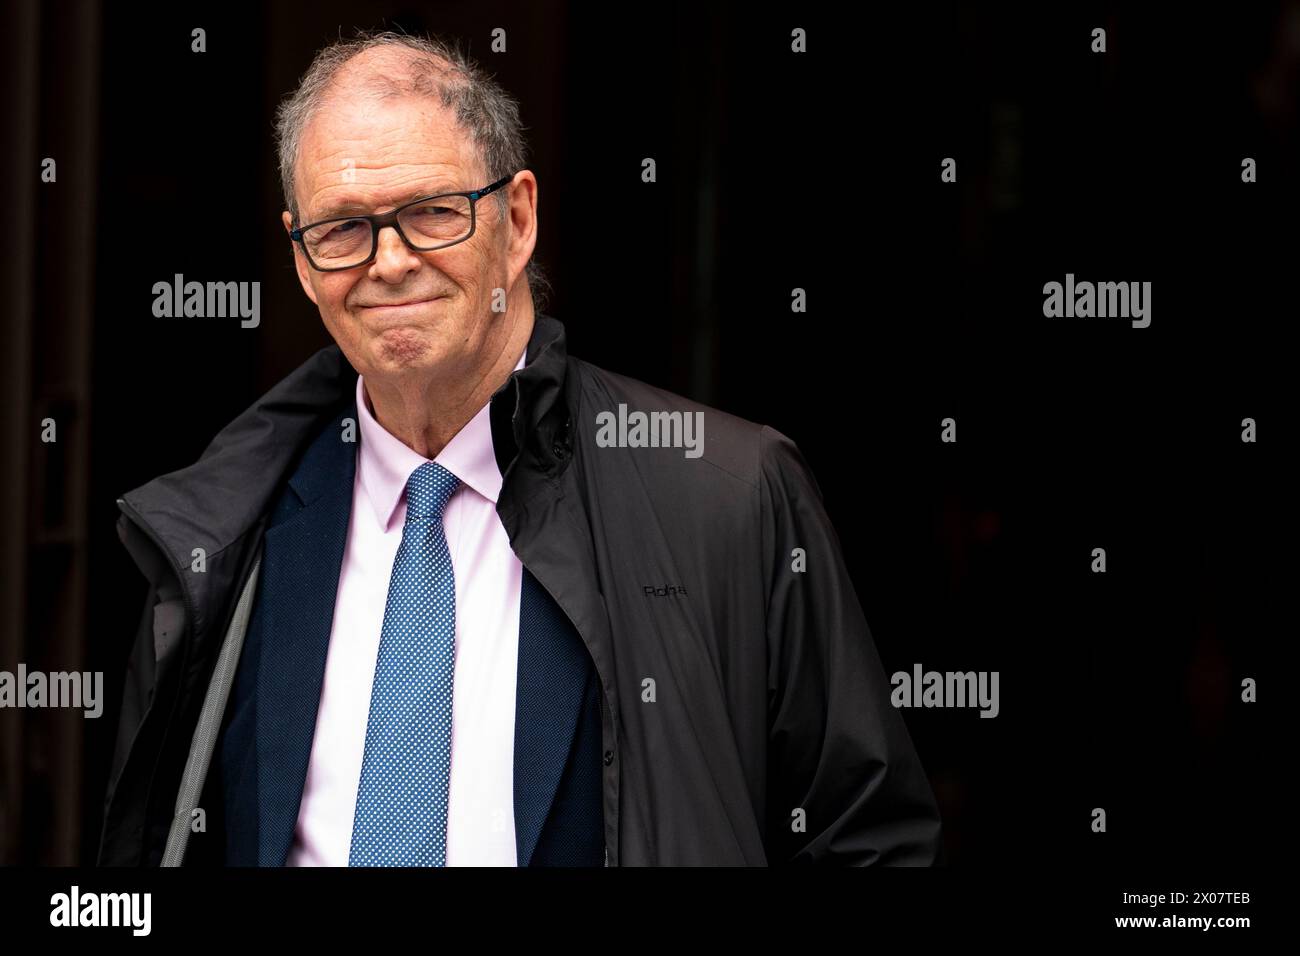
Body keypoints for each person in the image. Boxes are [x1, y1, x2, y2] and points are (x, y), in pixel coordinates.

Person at [98, 30, 943, 867]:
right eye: (345, 228)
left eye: (431, 213)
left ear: (518, 218)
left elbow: (865, 840)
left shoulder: (726, 494)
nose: (388, 263)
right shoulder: (225, 533)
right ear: (302, 260)